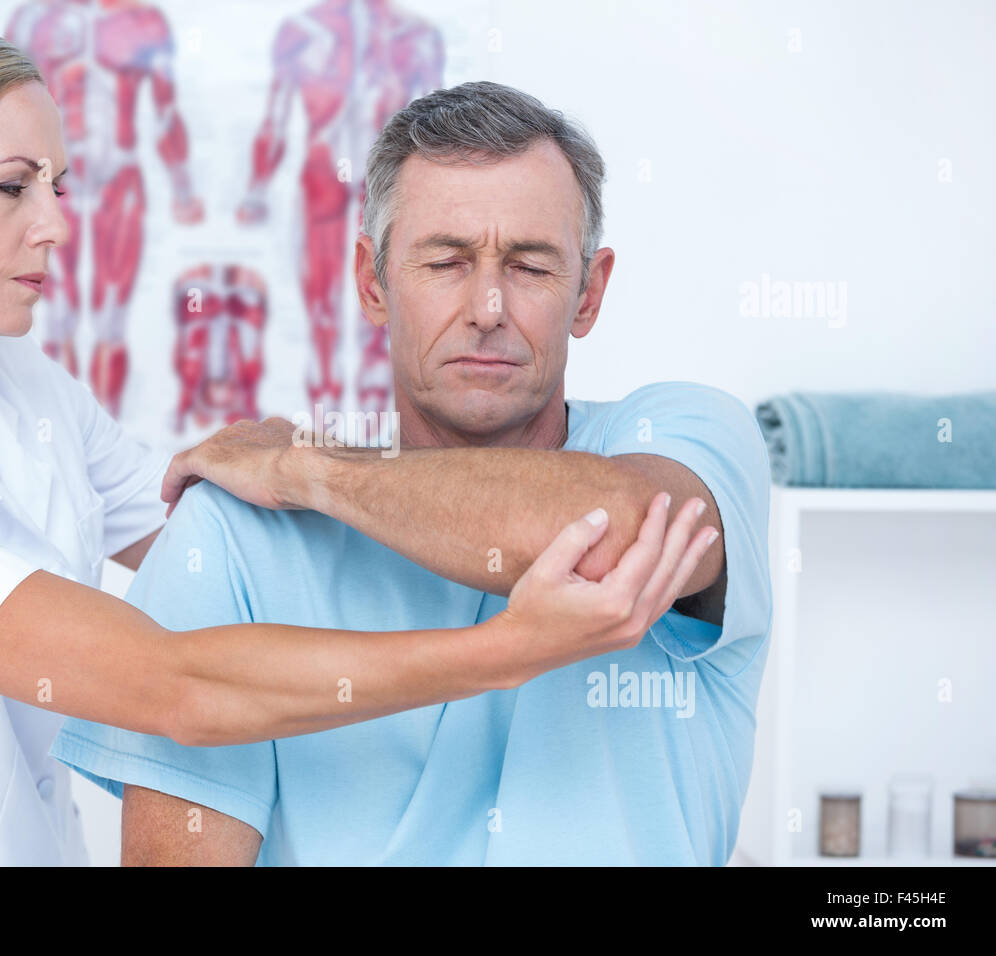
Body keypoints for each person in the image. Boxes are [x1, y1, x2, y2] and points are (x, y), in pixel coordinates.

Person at [0, 23, 710, 866]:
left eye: (60, 182)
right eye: (13, 188)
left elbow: (224, 532)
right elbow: (170, 683)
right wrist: (504, 649)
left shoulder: (20, 387)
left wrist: (306, 467)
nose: (59, 225)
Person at [52, 81, 766, 866]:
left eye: (529, 266)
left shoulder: (690, 435)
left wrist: (309, 468)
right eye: (447, 261)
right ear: (372, 282)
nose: (488, 306)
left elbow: (612, 536)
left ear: (589, 293)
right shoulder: (235, 530)